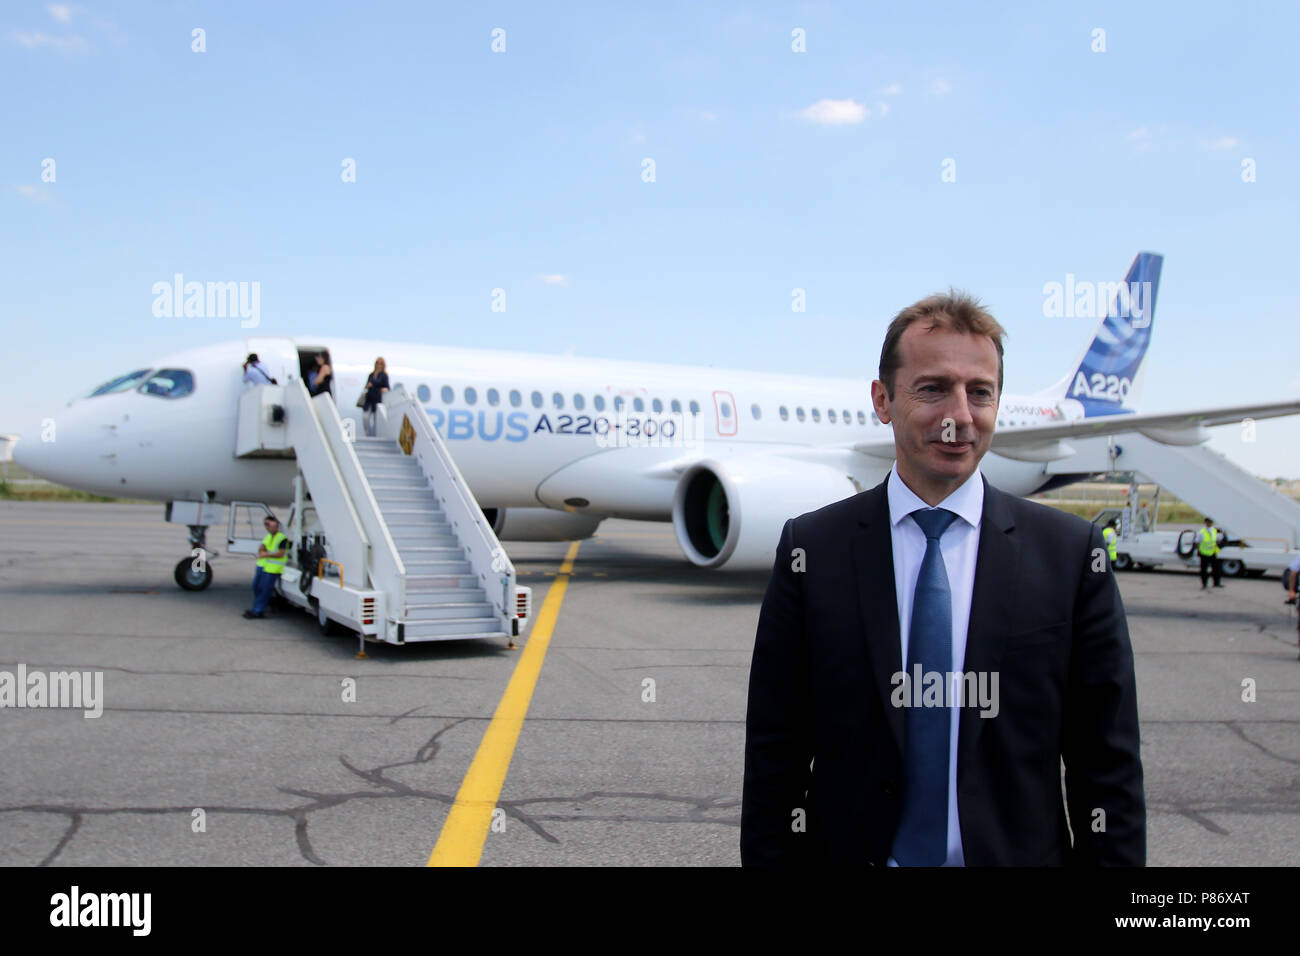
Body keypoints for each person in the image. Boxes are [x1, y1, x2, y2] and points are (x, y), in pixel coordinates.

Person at [741, 291, 1145, 866]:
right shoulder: (812, 550)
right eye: (932, 388)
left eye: (979, 392)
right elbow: (776, 755)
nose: (958, 414)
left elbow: (1107, 763)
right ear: (882, 400)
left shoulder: (1070, 555)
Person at [244, 515, 287, 619]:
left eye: (269, 524)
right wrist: (263, 552)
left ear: (276, 525)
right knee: (256, 587)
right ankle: (265, 604)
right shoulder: (268, 536)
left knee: (265, 589)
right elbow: (261, 548)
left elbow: (281, 553)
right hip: (264, 566)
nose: (267, 527)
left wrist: (266, 554)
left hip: (273, 568)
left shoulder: (282, 538)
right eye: (266, 525)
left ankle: (258, 611)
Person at [362, 357, 390, 437]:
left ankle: (375, 435)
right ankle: (367, 434)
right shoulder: (371, 374)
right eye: (377, 363)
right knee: (365, 417)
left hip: (378, 399)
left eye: (381, 363)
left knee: (376, 419)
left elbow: (387, 387)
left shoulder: (384, 376)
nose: (379, 365)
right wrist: (368, 385)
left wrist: (384, 389)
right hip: (369, 399)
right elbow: (366, 386)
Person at [1198, 517, 1223, 589]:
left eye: (1210, 522)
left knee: (1216, 569)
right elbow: (1197, 542)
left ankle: (1216, 583)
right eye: (1208, 522)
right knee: (1204, 570)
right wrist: (1200, 550)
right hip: (1204, 553)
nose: (1209, 523)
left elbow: (1218, 539)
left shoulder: (1214, 530)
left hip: (1212, 552)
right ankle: (1204, 584)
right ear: (1205, 523)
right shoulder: (1201, 532)